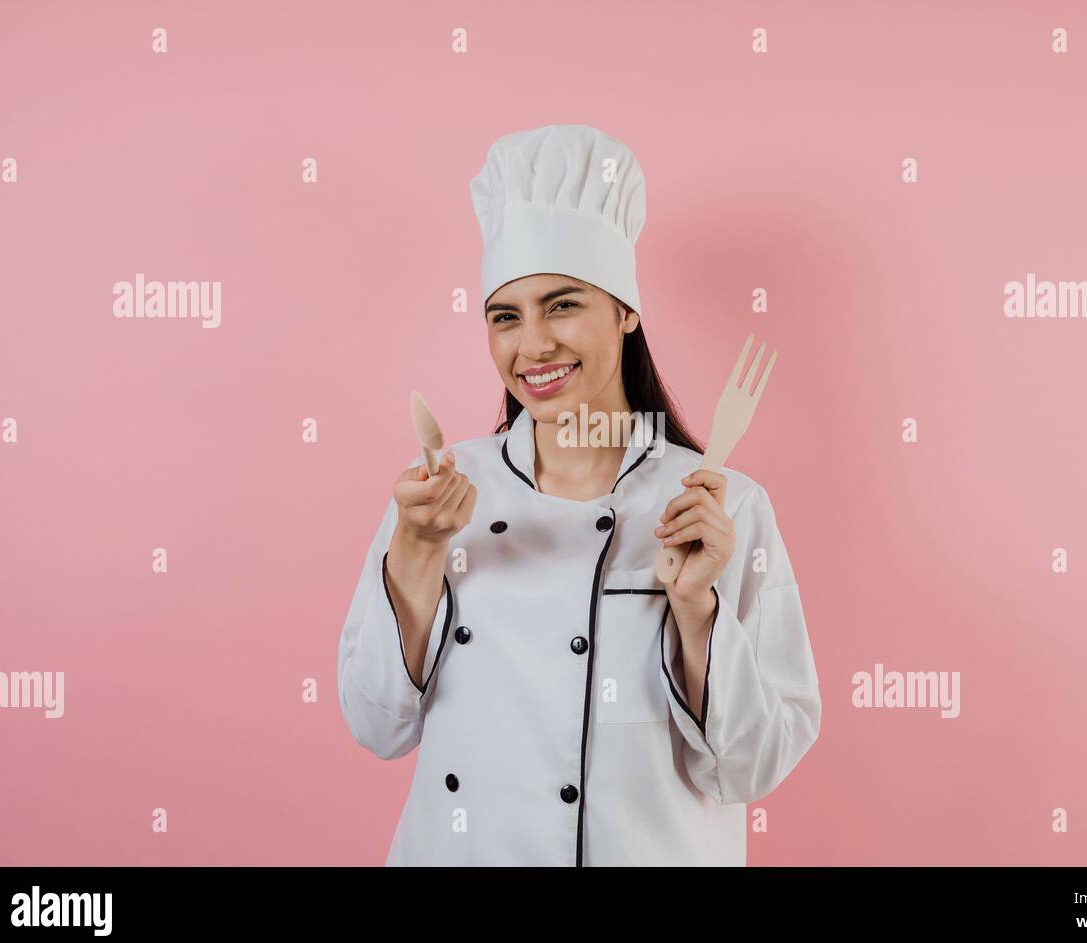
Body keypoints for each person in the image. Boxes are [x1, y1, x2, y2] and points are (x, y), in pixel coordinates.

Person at [337, 124, 821, 866]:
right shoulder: (440, 495)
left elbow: (750, 769)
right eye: (506, 316)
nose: (532, 346)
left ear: (626, 311)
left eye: (562, 305)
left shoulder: (725, 509)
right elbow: (378, 727)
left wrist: (698, 612)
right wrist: (417, 556)